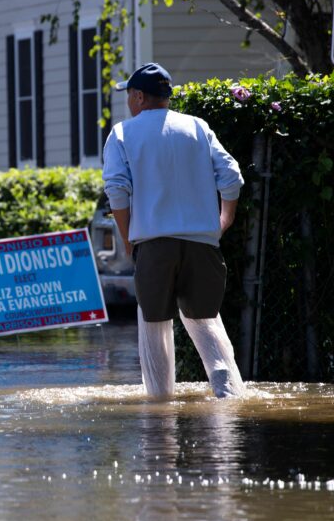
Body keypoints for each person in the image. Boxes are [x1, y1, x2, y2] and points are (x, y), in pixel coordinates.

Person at [102, 62, 246, 400]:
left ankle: (159, 409)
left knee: (154, 328)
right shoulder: (197, 127)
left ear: (138, 96)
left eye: (129, 95)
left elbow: (117, 190)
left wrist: (126, 237)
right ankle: (231, 403)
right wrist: (224, 221)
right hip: (202, 244)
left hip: (154, 244)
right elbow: (231, 176)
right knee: (206, 324)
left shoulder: (123, 133)